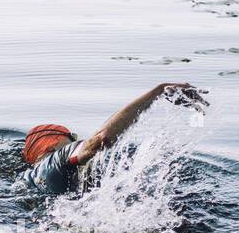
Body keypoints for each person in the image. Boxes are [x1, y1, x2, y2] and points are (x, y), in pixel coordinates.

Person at [18, 82, 206, 195]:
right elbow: (101, 138)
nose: (75, 141)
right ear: (51, 146)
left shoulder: (29, 179)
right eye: (72, 138)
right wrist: (158, 91)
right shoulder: (58, 158)